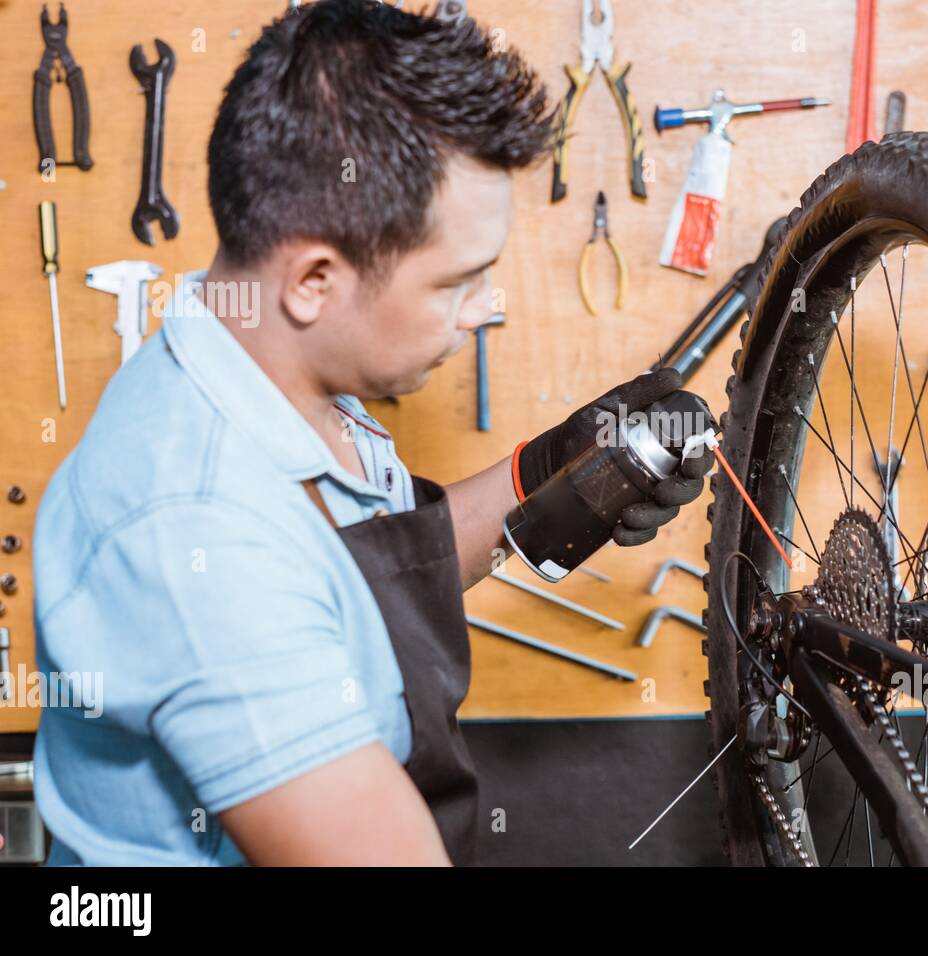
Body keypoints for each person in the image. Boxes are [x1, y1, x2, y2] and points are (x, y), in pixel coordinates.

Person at [33, 0, 708, 866]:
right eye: (457, 284)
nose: (481, 312)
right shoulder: (193, 533)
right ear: (315, 279)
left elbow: (361, 573)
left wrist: (550, 481)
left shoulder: (280, 379)